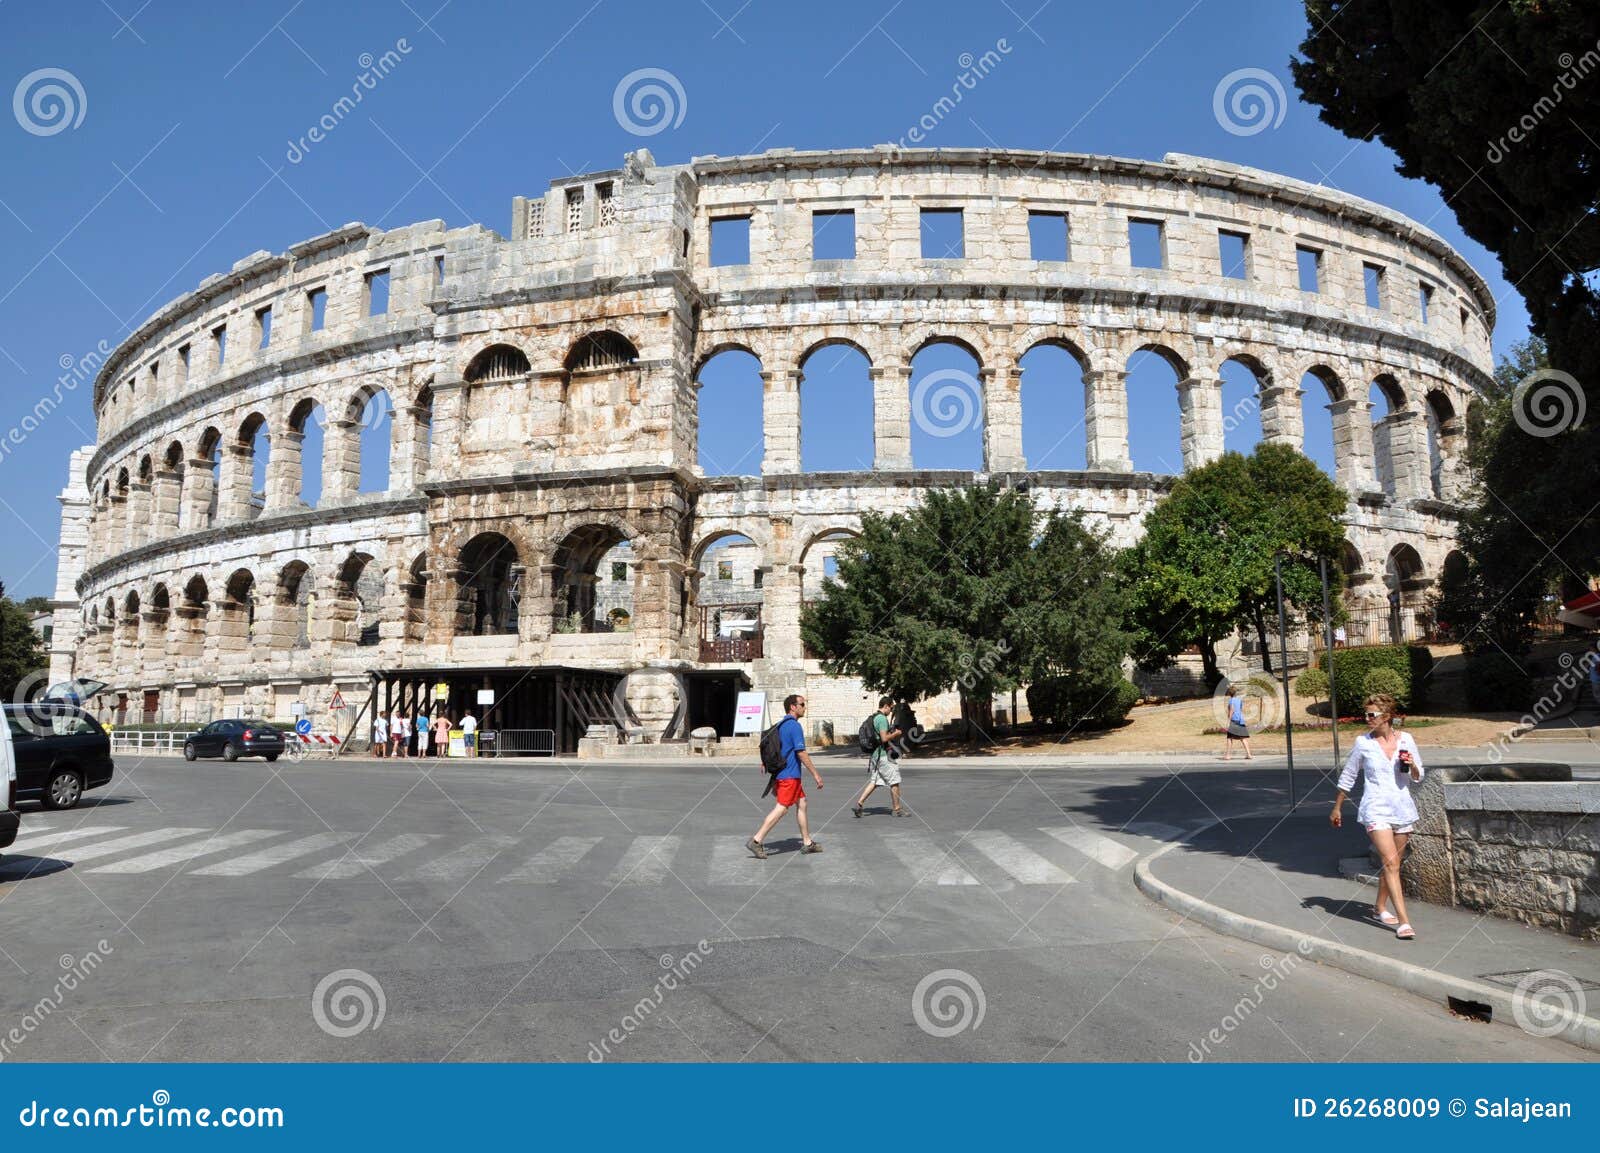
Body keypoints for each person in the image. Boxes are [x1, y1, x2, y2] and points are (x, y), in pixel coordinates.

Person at [1331, 692, 1424, 940]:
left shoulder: (1406, 740)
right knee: (1391, 862)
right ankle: (1404, 922)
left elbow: (1418, 776)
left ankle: (1379, 907)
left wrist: (1412, 764)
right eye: (1366, 714)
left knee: (1392, 863)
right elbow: (1349, 776)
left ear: (1387, 716)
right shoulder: (1364, 743)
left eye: (1371, 715)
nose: (1367, 718)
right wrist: (1337, 806)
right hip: (1375, 808)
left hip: (1402, 808)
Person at [746, 694, 825, 858]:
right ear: (793, 707)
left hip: (784, 774)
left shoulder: (781, 725)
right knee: (781, 809)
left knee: (802, 803)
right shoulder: (794, 726)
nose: (805, 707)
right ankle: (756, 840)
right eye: (802, 704)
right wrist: (816, 775)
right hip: (789, 775)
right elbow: (801, 753)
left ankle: (807, 842)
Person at [852, 696, 906, 818]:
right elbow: (884, 738)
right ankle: (897, 809)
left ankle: (859, 804)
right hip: (883, 756)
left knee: (875, 782)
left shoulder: (874, 717)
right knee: (895, 781)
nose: (891, 711)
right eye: (891, 708)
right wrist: (896, 733)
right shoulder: (881, 719)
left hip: (876, 756)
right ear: (886, 706)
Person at [1222, 685, 1253, 761]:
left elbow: (1231, 710)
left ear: (1229, 693)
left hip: (1234, 721)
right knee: (1243, 738)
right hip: (1240, 720)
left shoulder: (1231, 700)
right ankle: (1249, 754)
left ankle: (1228, 755)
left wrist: (1228, 721)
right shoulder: (1239, 700)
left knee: (1229, 738)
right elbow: (1240, 709)